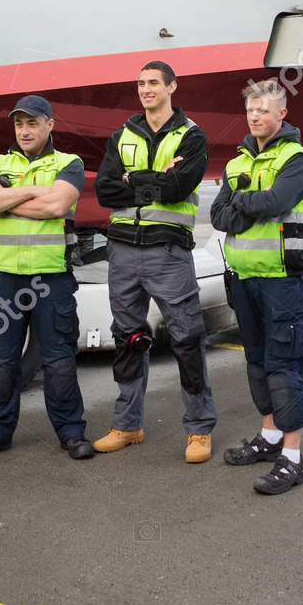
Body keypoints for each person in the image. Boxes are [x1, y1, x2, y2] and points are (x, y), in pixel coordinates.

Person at [92, 61, 216, 462]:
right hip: (123, 250)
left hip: (168, 251)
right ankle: (127, 425)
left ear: (171, 87)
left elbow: (180, 185)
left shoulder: (191, 137)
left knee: (186, 339)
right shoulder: (121, 135)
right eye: (141, 83)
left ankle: (199, 430)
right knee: (128, 338)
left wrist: (133, 180)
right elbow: (106, 192)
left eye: (153, 83)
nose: (146, 89)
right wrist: (151, 181)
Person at [0, 95, 94, 462]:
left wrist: (7, 195)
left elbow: (57, 206)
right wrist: (35, 190)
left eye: (33, 123)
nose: (24, 130)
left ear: (49, 125)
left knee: (59, 362)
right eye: (19, 123)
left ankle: (71, 433)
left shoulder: (69, 163)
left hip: (51, 279)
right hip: (8, 279)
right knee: (2, 362)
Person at [209, 78, 303, 495]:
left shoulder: (297, 159)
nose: (256, 117)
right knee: (257, 363)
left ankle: (292, 458)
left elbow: (275, 204)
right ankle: (270, 436)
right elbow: (219, 215)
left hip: (280, 282)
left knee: (284, 368)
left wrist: (241, 204)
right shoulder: (237, 162)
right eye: (251, 110)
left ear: (281, 114)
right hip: (243, 279)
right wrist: (245, 206)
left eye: (264, 110)